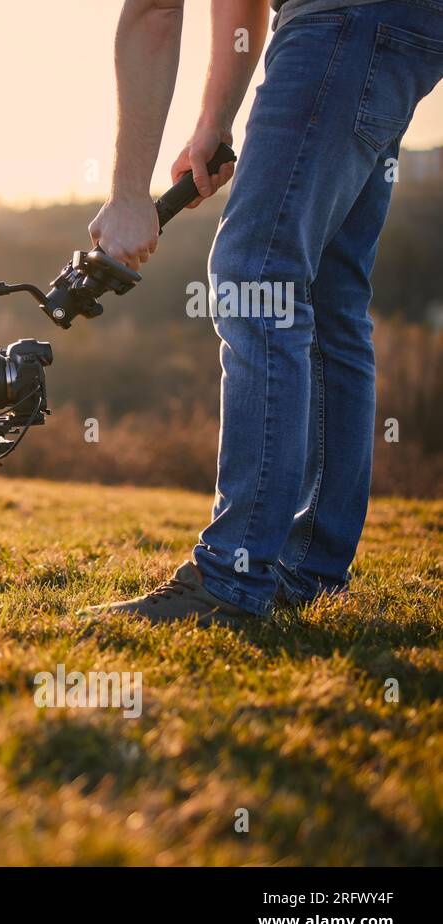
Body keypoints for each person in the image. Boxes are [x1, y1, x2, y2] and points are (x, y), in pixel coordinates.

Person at [84, 0, 443, 625]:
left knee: (255, 274)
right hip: (393, 24)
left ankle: (234, 573)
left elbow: (154, 12)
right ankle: (308, 570)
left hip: (339, 23)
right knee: (328, 295)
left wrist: (127, 195)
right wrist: (212, 124)